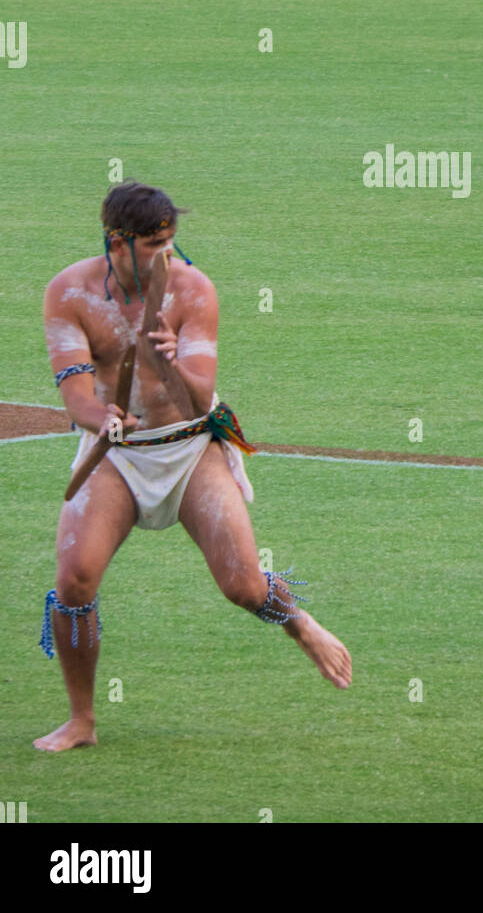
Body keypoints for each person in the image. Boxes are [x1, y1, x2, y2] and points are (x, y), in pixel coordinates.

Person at [35, 181, 351, 753]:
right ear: (117, 240)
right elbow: (76, 393)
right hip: (119, 455)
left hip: (189, 446)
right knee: (74, 580)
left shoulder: (193, 289)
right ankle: (81, 720)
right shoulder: (69, 292)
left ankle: (298, 622)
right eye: (154, 243)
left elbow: (200, 401)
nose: (168, 253)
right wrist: (99, 419)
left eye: (170, 239)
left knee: (243, 586)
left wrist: (172, 363)